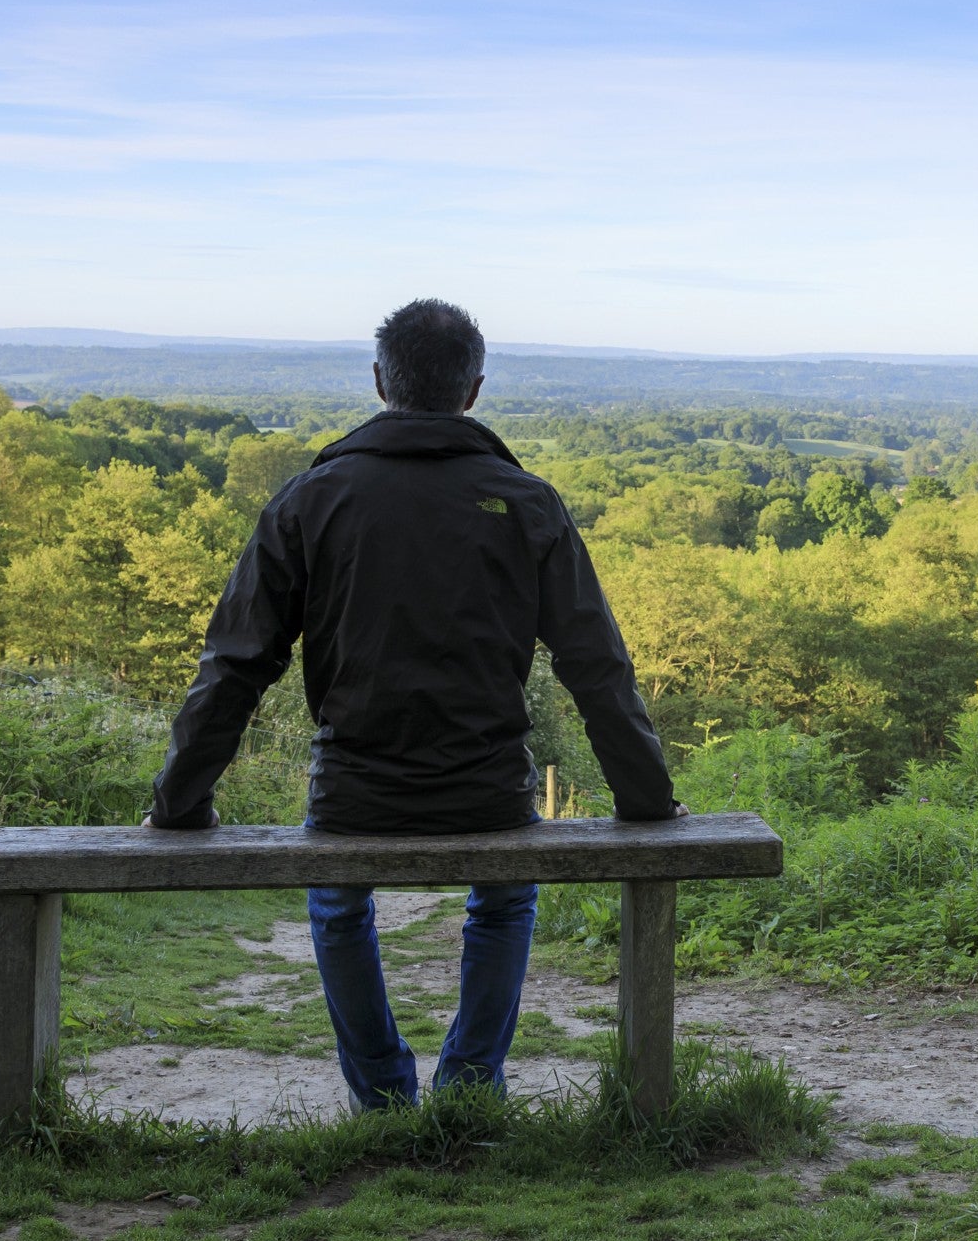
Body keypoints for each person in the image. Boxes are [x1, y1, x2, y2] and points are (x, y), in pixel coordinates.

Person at [144, 298, 682, 1109]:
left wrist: (179, 804)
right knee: (504, 898)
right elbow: (595, 665)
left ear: (378, 382)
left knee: (336, 898)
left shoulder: (310, 499)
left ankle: (384, 1095)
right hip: (489, 789)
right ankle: (469, 1086)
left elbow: (236, 664)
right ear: (473, 390)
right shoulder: (528, 501)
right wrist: (645, 800)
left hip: (352, 792)